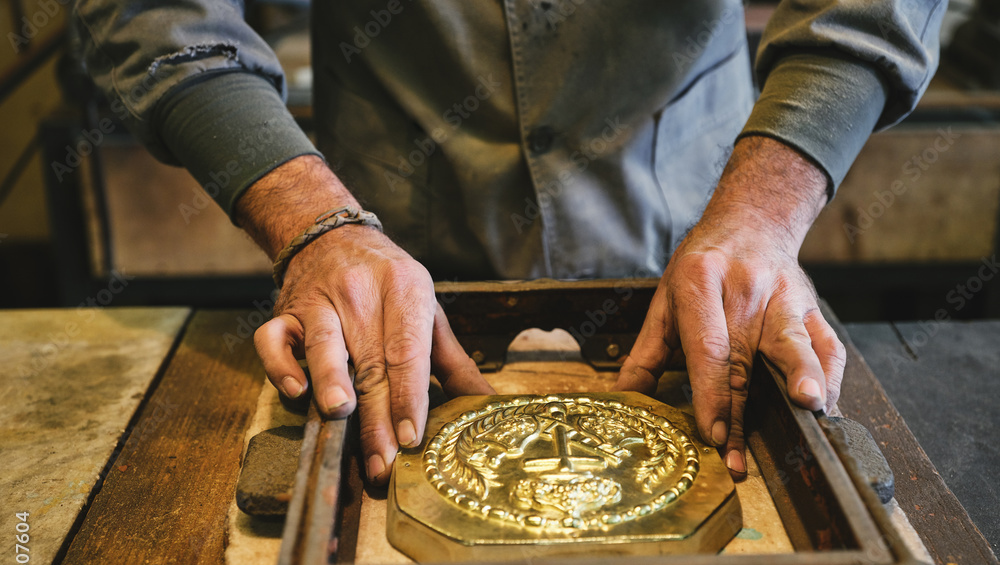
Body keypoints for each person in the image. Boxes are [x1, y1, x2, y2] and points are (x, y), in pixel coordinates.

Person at [75, 1, 945, 484]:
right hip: (389, 234)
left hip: (694, 219)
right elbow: (150, 12)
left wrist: (762, 212)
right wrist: (314, 225)